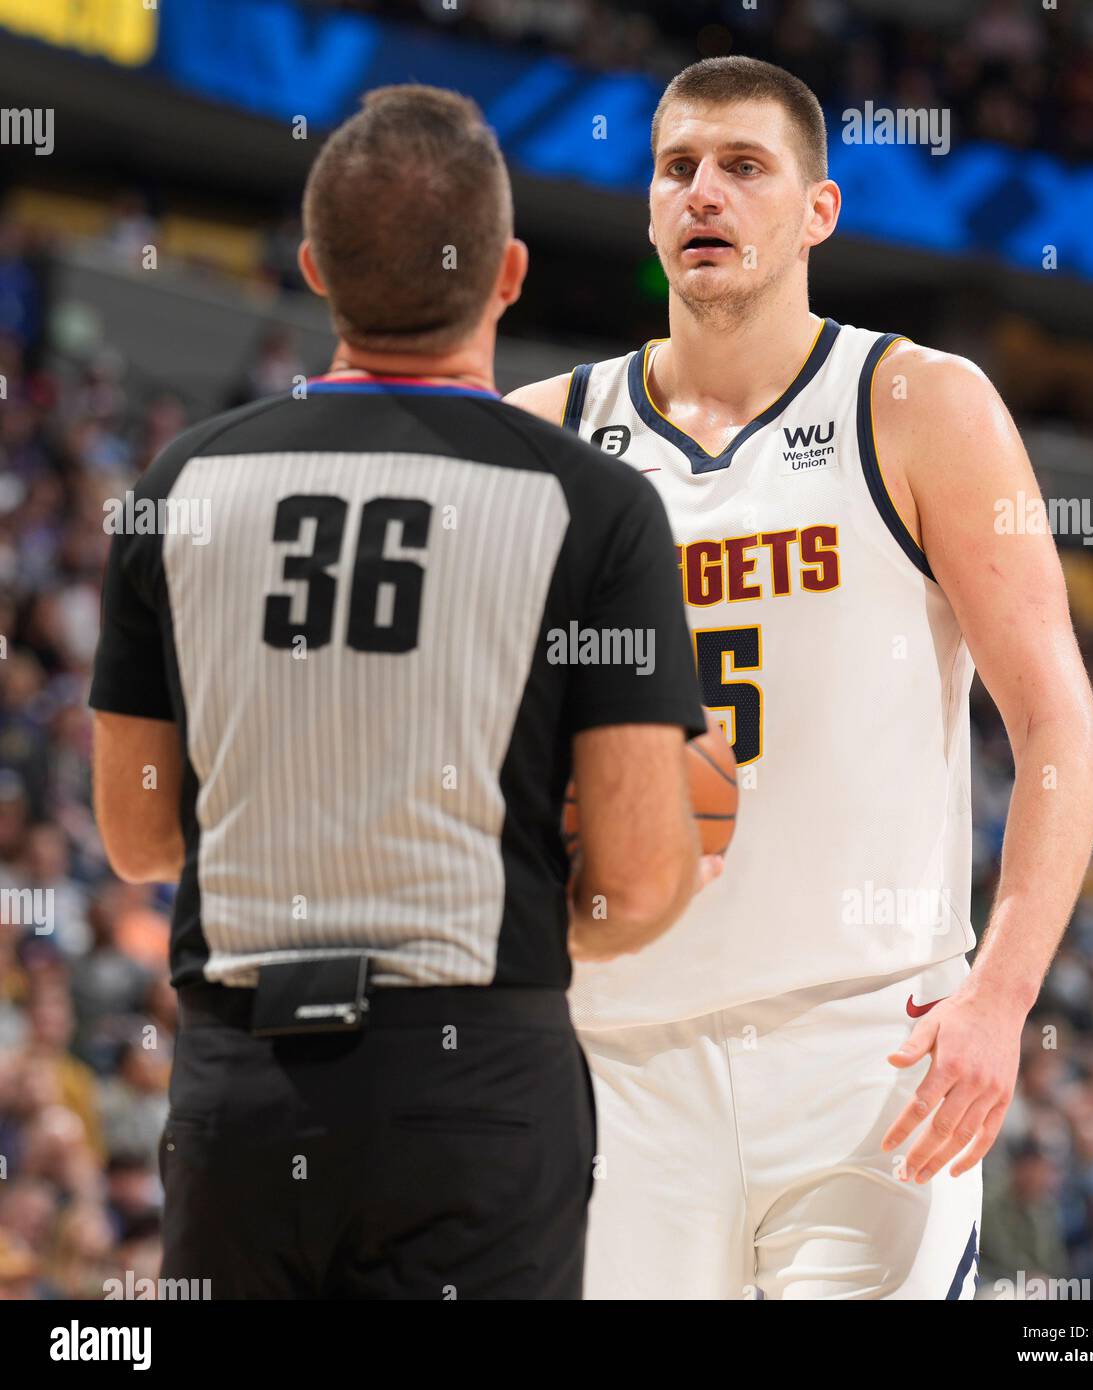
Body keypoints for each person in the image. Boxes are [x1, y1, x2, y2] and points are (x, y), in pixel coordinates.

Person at [89, 84, 711, 1300]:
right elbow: (638, 874)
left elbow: (135, 832)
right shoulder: (596, 508)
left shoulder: (178, 485)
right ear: (510, 272)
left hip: (241, 1084)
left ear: (314, 268)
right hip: (475, 1077)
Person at [507, 55, 1093, 1299]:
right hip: (613, 1061)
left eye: (741, 167)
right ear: (650, 206)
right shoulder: (545, 433)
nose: (704, 195)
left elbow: (1058, 727)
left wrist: (997, 1001)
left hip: (866, 1053)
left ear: (816, 211)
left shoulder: (916, 405)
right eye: (677, 169)